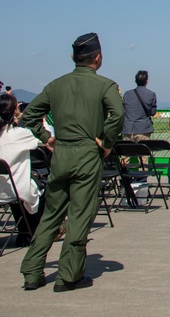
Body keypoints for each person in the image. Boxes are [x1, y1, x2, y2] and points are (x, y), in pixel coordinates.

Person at [19, 33, 124, 292]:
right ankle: (69, 275)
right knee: (79, 214)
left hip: (61, 152)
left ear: (73, 58)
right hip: (88, 152)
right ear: (98, 58)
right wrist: (107, 143)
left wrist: (47, 137)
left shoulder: (56, 85)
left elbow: (30, 115)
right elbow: (118, 114)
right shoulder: (105, 86)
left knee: (51, 213)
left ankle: (32, 271)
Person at [0, 92, 44, 247]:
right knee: (38, 190)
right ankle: (29, 232)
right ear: (14, 111)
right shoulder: (21, 134)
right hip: (13, 190)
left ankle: (26, 232)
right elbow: (43, 141)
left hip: (5, 189)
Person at [122, 70, 157, 142]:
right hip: (143, 128)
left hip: (128, 129)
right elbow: (153, 112)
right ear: (146, 81)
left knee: (127, 152)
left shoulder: (127, 94)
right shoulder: (151, 94)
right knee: (144, 151)